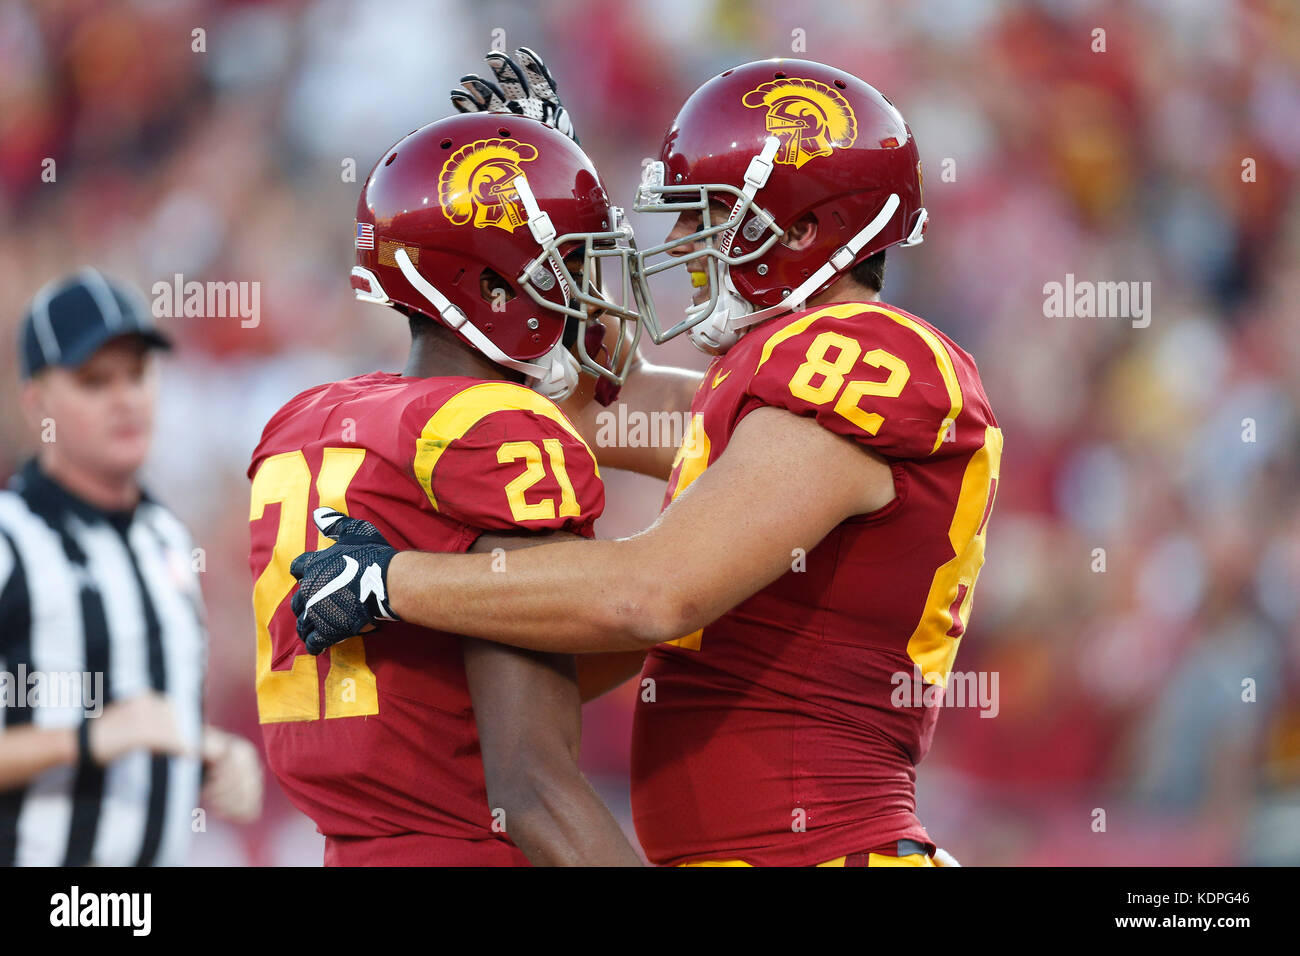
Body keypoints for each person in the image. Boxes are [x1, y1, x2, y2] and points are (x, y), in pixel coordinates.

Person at [290, 57, 999, 868]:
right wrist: (539, 217)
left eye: (711, 218)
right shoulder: (767, 385)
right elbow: (581, 409)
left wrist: (392, 584)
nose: (683, 248)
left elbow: (653, 591)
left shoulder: (869, 355)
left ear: (801, 232)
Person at [247, 107, 643, 866]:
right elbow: (532, 790)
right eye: (568, 265)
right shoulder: (495, 429)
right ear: (494, 284)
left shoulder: (304, 422)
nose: (588, 293)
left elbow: (445, 691)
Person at [0, 268, 261, 866]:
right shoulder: (11, 540)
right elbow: (118, 729)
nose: (125, 398)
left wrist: (212, 754)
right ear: (36, 400)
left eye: (138, 374)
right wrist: (86, 740)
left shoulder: (164, 538)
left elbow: (152, 723)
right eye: (94, 381)